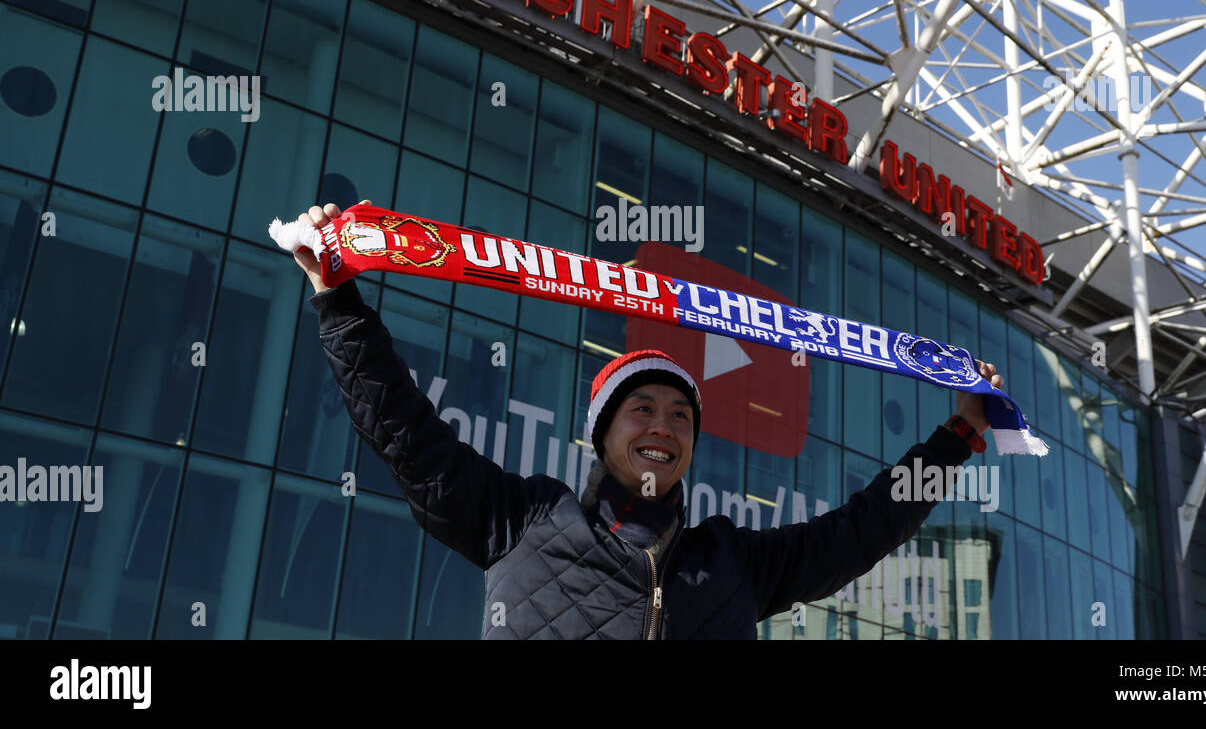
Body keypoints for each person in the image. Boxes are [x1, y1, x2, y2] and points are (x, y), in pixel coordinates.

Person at [293, 201, 1002, 639]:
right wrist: (338, 302)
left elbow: (864, 527)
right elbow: (406, 434)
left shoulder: (733, 564)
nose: (663, 426)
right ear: (603, 434)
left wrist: (959, 435)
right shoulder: (524, 521)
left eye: (680, 416)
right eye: (641, 410)